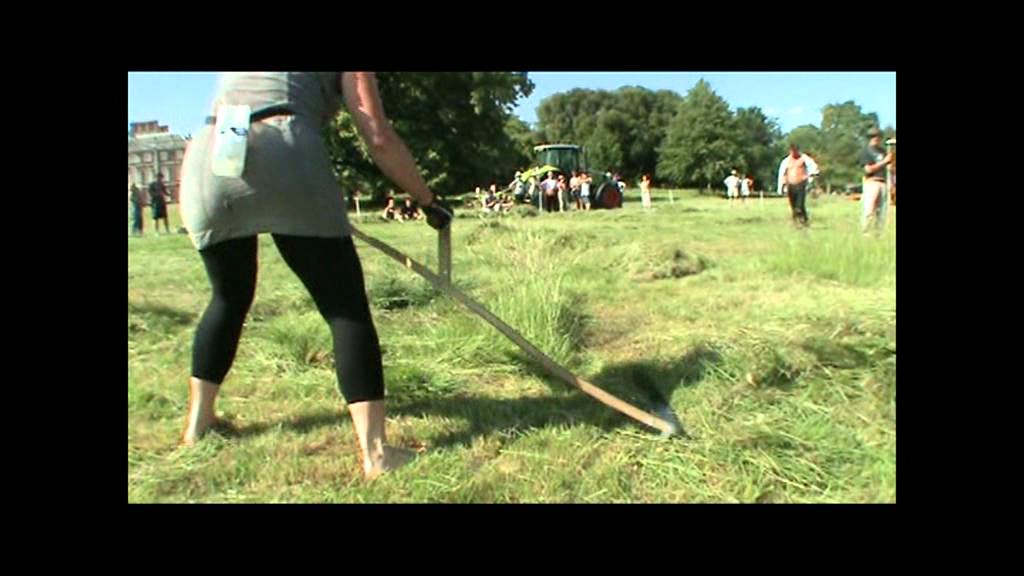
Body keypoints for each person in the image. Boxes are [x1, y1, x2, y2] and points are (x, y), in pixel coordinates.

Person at [178, 72, 453, 480]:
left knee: (228, 296)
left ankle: (198, 425)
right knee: (345, 308)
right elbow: (377, 136)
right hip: (282, 143)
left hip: (211, 149)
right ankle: (376, 455)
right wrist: (428, 201)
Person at [776, 144, 819, 227]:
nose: (794, 153)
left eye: (795, 151)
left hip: (801, 184)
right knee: (793, 205)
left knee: (800, 205)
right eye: (792, 151)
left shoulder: (804, 158)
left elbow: (814, 168)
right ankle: (796, 222)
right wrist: (782, 186)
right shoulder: (786, 161)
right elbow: (782, 173)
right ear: (790, 151)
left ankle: (804, 221)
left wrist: (809, 177)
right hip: (790, 185)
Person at [859, 127, 892, 235]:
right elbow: (868, 169)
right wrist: (884, 162)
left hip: (883, 182)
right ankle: (866, 233)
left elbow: (889, 168)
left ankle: (879, 234)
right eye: (874, 136)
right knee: (869, 209)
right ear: (870, 138)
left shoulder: (883, 151)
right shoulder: (865, 151)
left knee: (882, 211)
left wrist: (890, 163)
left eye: (878, 136)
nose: (876, 139)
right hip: (872, 183)